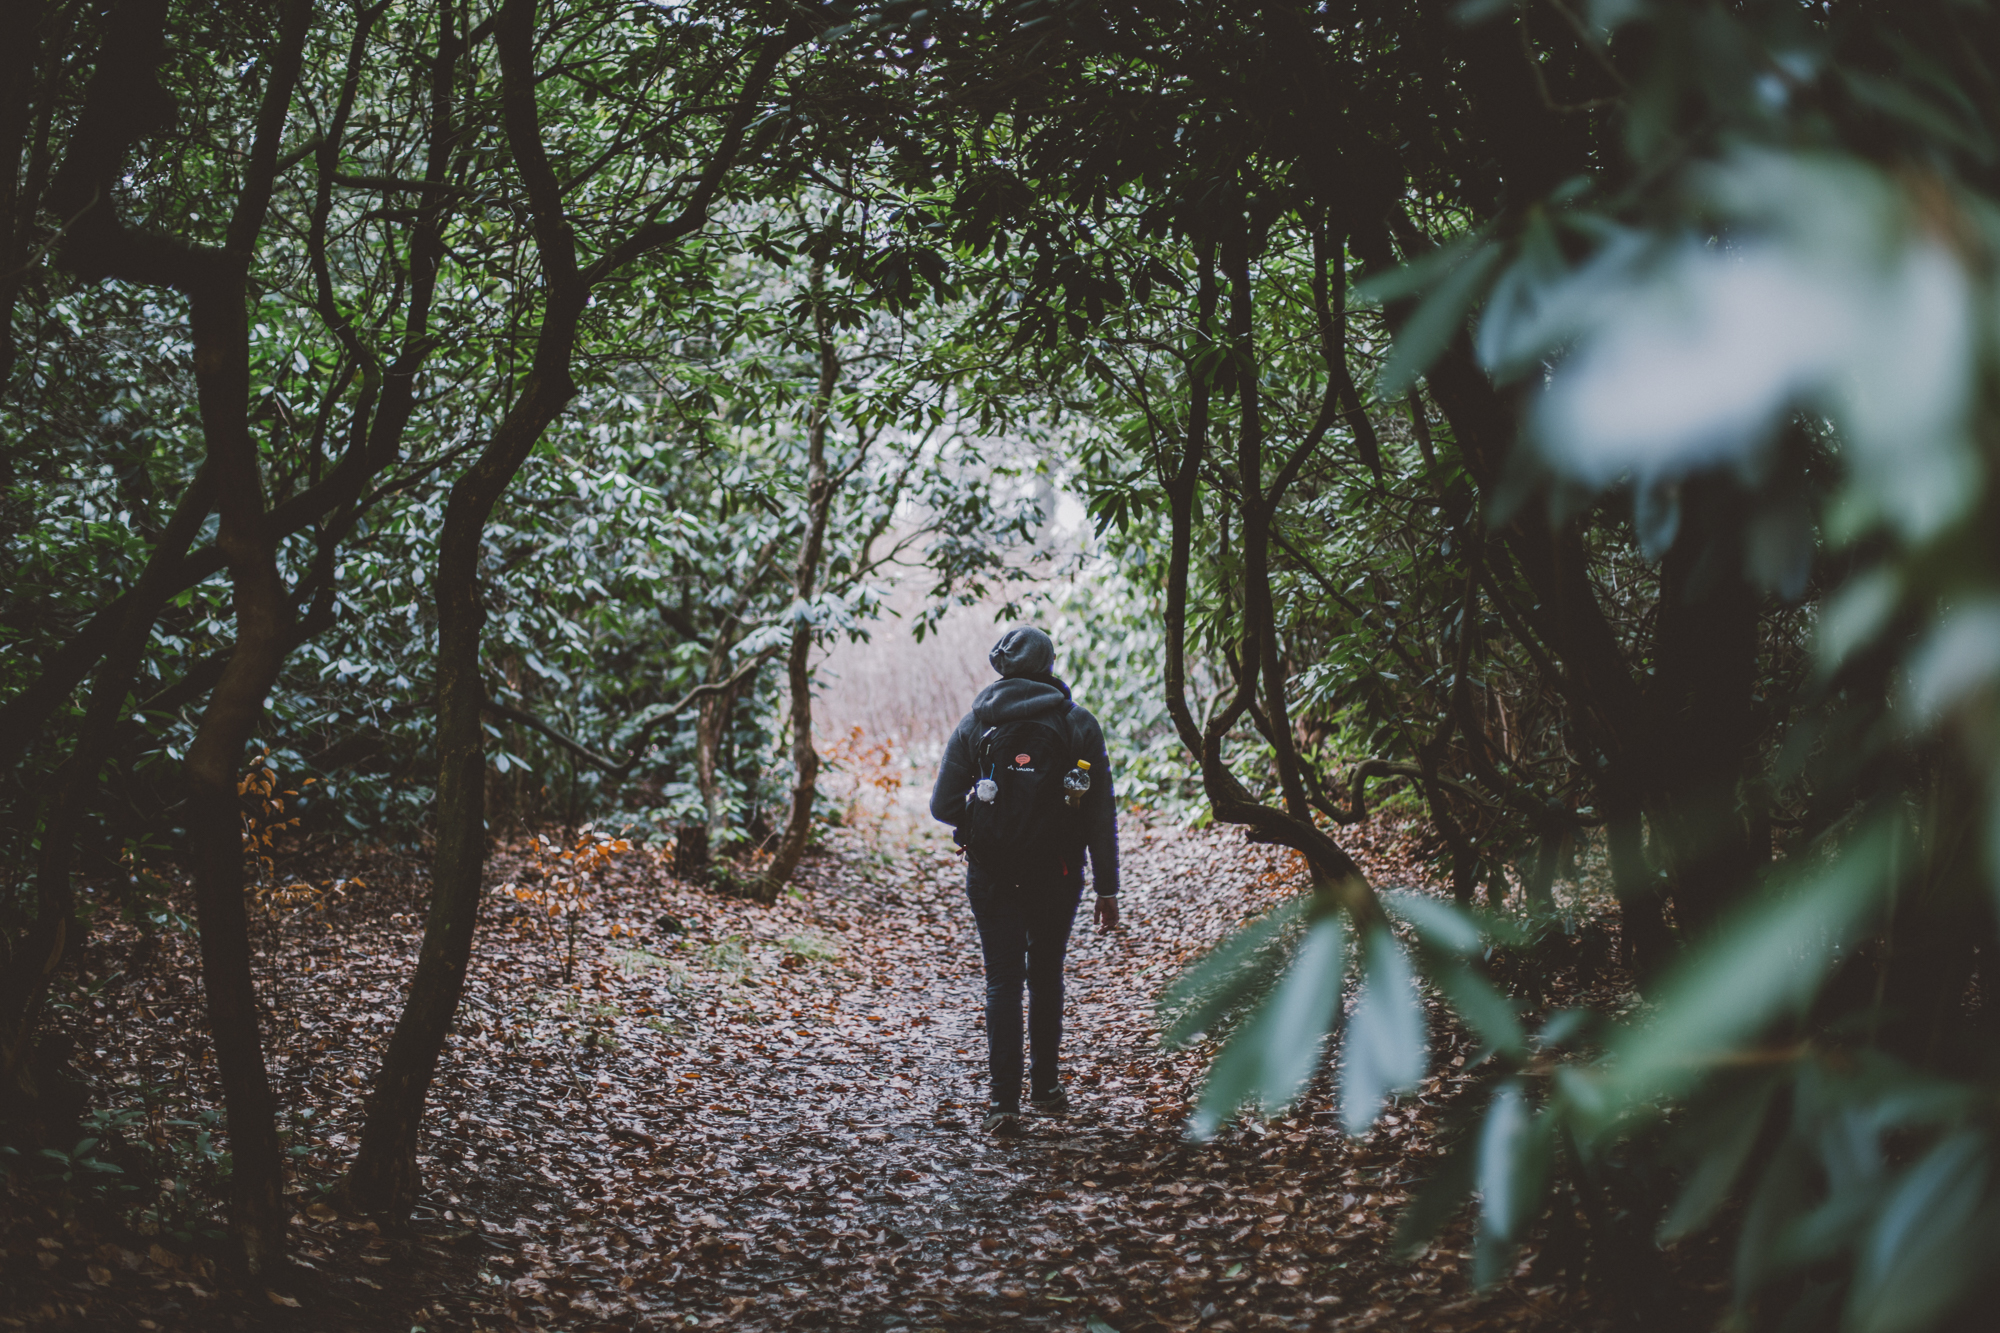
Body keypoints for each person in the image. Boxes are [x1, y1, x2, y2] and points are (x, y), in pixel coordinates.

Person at [930, 626, 1120, 1134]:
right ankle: (1046, 1089)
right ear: (1049, 664)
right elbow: (1099, 811)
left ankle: (1003, 1105)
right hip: (1057, 873)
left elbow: (942, 805)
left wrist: (978, 823)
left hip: (992, 874)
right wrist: (1107, 888)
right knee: (1047, 975)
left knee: (1002, 981)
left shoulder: (977, 722)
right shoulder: (1078, 723)